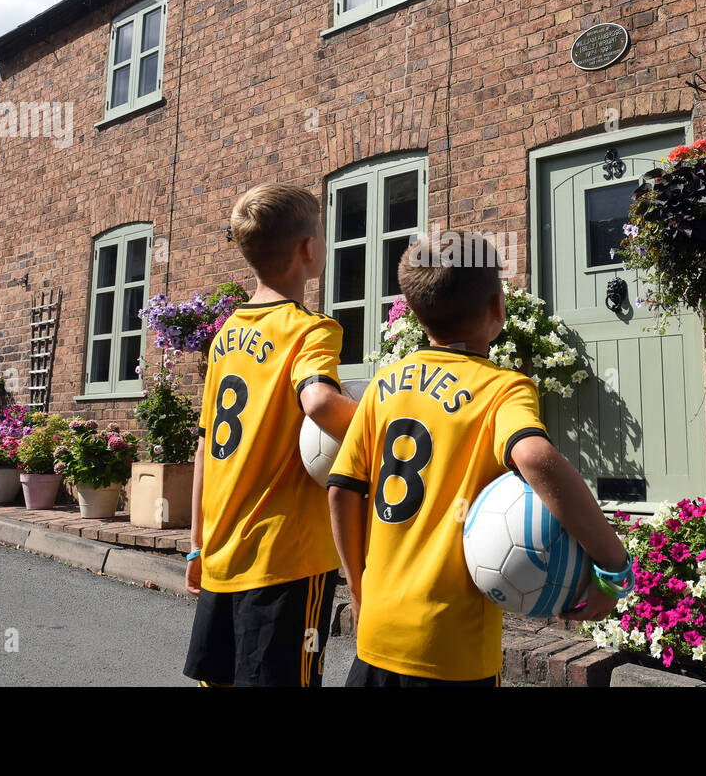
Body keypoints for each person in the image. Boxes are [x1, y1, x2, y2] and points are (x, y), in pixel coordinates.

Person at [327, 231, 631, 686]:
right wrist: (613, 569)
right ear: (498, 309)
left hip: (378, 634)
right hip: (453, 651)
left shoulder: (383, 386)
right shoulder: (502, 388)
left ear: (412, 312)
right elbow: (531, 453)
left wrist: (356, 583)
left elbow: (341, 489)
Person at [182, 183, 356, 687]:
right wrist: (378, 428)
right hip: (286, 559)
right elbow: (320, 402)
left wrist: (196, 545)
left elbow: (203, 445)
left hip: (220, 551)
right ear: (308, 249)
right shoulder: (309, 329)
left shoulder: (224, 335)